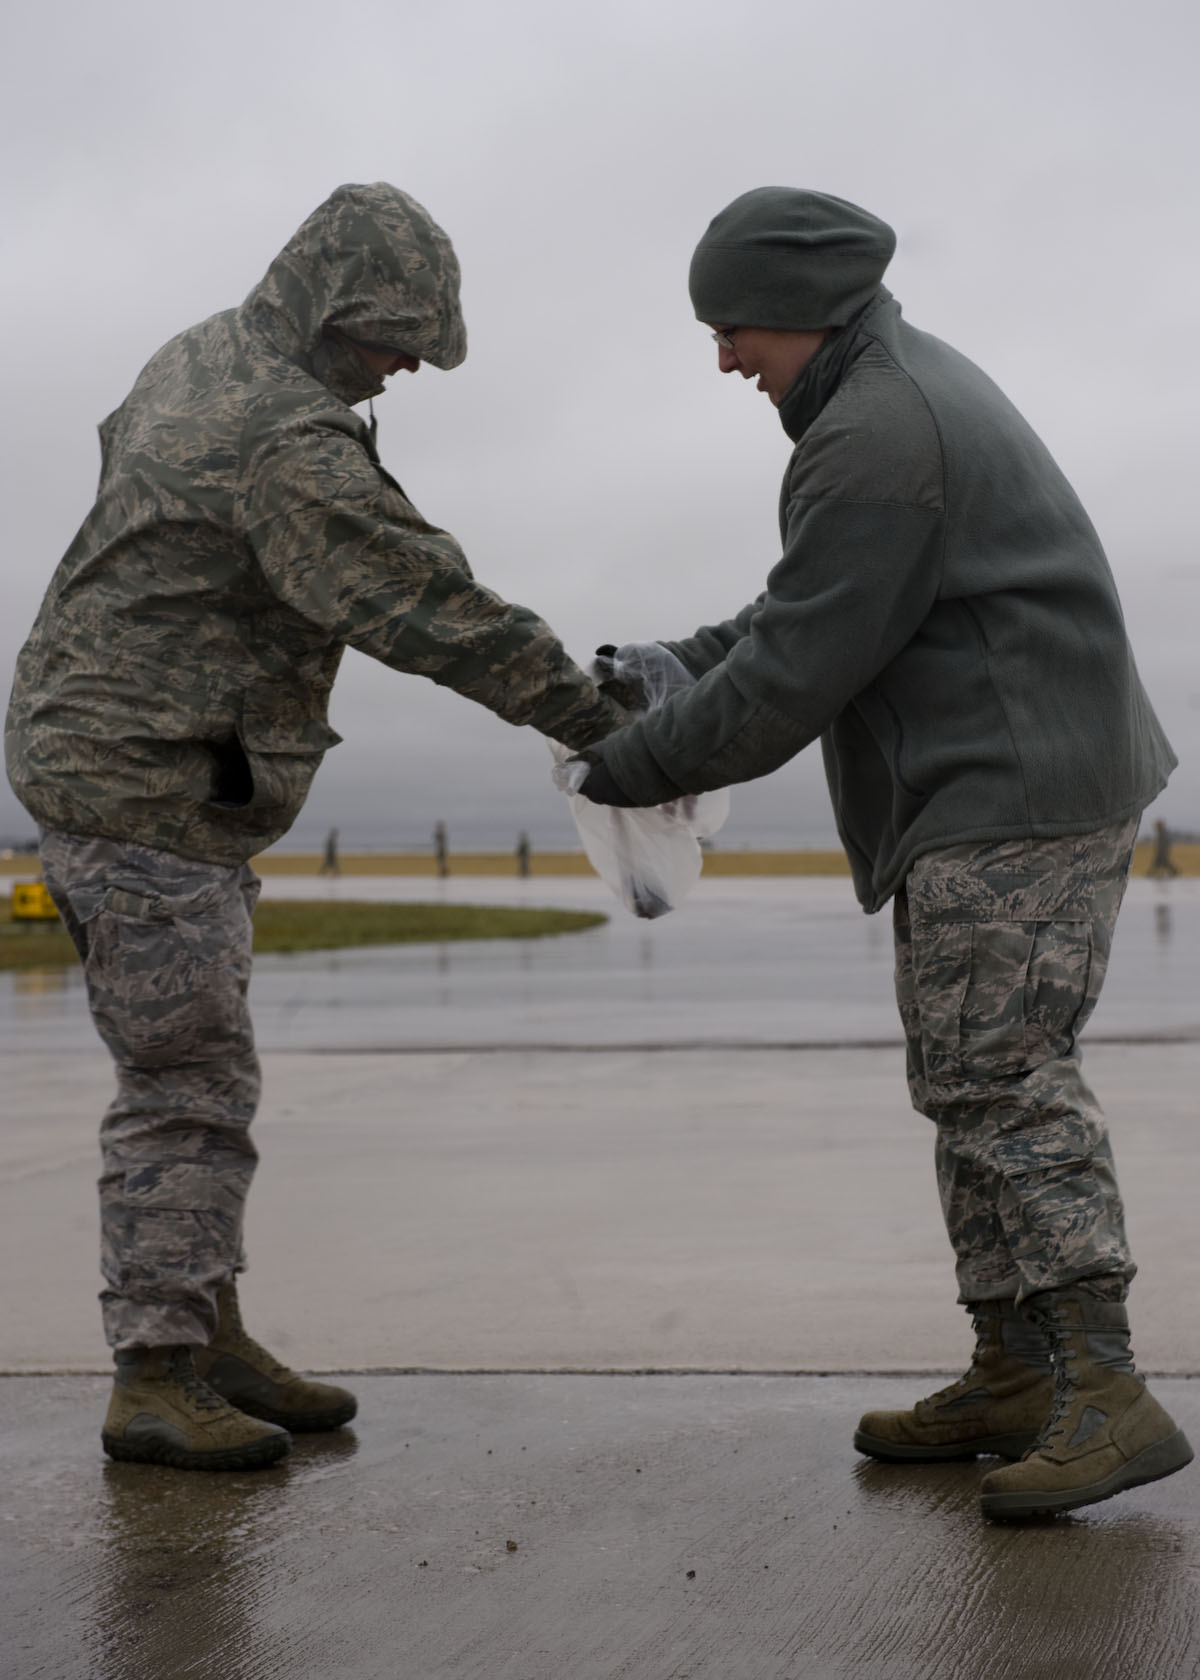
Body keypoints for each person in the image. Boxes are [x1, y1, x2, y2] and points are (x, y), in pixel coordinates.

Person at [575, 187, 1191, 1520]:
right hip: (982, 788)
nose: (726, 356)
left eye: (734, 325)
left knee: (1004, 1081)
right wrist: (675, 668)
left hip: (1016, 791)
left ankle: (1109, 1390)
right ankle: (1013, 1372)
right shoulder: (879, 403)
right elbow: (804, 606)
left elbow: (802, 666)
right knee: (963, 1080)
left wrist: (628, 765)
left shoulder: (878, 430)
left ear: (800, 309)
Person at [5, 182, 625, 1472]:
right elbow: (422, 602)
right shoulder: (290, 440)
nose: (402, 369)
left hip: (139, 765)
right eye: (394, 339)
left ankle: (210, 1331)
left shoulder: (203, 351)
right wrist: (598, 717)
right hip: (143, 782)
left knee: (203, 1067)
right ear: (335, 309)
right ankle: (160, 1371)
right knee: (186, 1083)